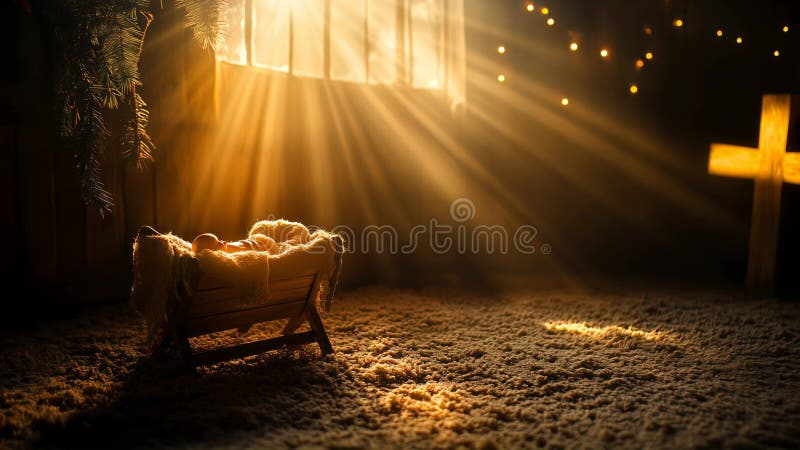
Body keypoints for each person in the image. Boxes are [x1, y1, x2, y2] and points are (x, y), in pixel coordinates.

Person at [191, 233, 264, 254]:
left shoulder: (226, 248)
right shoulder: (230, 257)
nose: (224, 242)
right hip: (260, 246)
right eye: (218, 244)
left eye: (219, 240)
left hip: (254, 240)